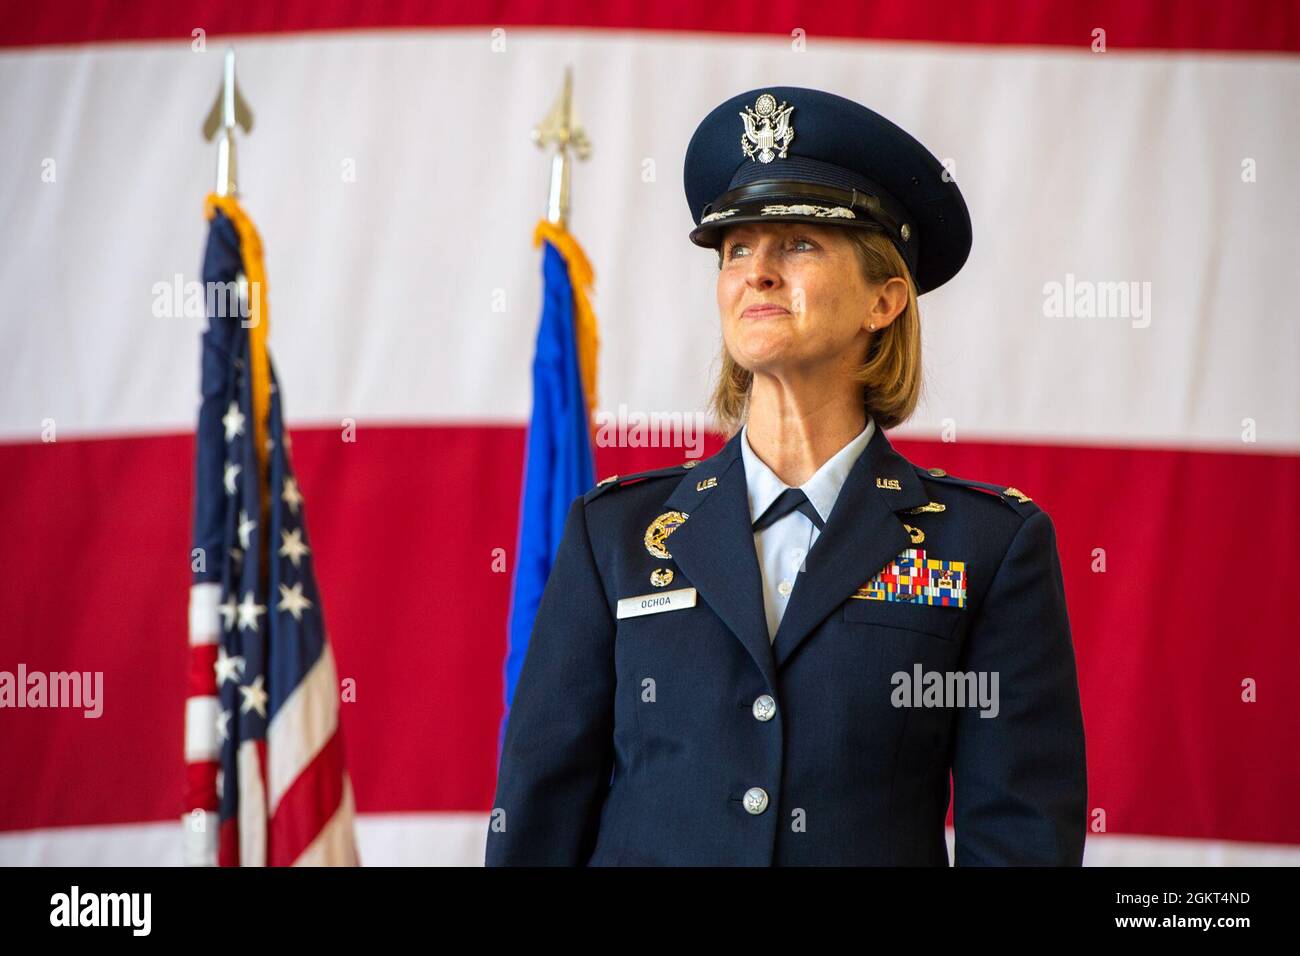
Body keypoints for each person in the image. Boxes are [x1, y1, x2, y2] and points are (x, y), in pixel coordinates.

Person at [486, 86, 1087, 866]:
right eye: (737, 248)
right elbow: (538, 819)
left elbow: (1019, 838)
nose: (756, 273)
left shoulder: (988, 548)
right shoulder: (614, 537)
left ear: (885, 298)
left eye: (799, 243)